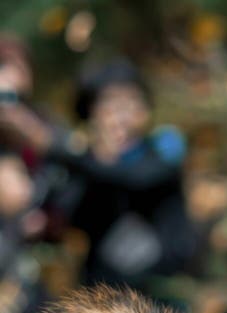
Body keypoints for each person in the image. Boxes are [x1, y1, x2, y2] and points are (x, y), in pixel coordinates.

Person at [1, 59, 197, 288]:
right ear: (91, 113)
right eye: (111, 103)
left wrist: (50, 142)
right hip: (100, 292)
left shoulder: (164, 147)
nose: (122, 116)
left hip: (161, 290)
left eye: (132, 102)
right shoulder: (84, 164)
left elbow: (132, 177)